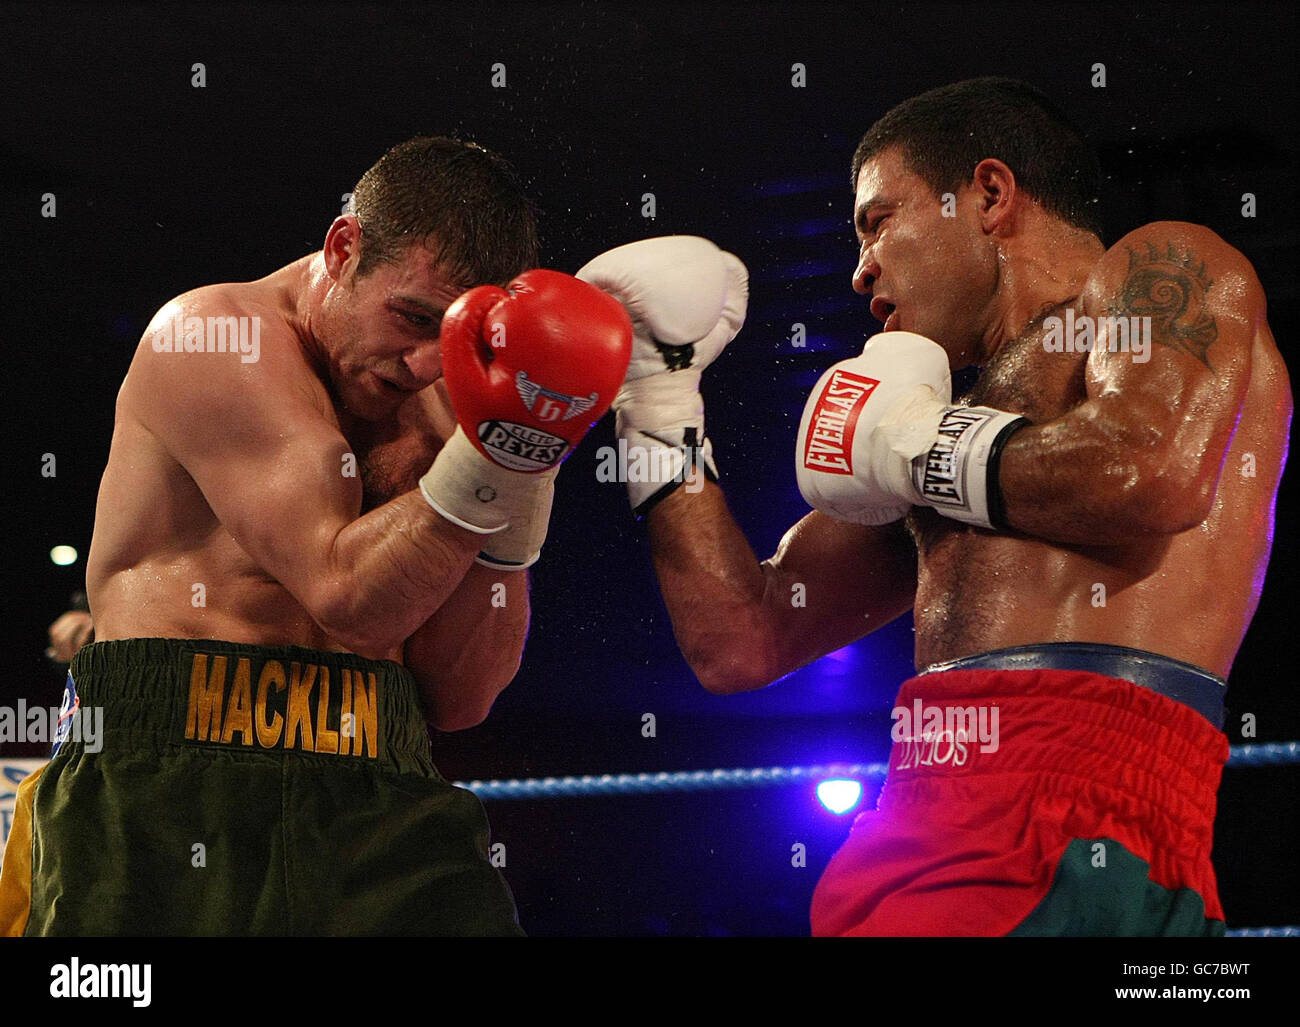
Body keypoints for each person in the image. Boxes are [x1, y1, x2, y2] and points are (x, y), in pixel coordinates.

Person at [579, 78, 1291, 936]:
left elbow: (1151, 474)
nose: (858, 269)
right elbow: (743, 638)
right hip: (927, 814)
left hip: (1082, 823)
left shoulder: (1161, 261)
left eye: (877, 220)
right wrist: (659, 404)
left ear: (988, 194)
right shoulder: (945, 426)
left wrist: (919, 444)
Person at [0, 136, 631, 936]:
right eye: (411, 316)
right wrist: (491, 454)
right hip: (169, 775)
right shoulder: (211, 337)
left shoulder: (459, 409)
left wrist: (530, 458)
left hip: (382, 777)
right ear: (343, 248)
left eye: (454, 333)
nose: (423, 360)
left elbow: (464, 697)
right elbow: (347, 598)